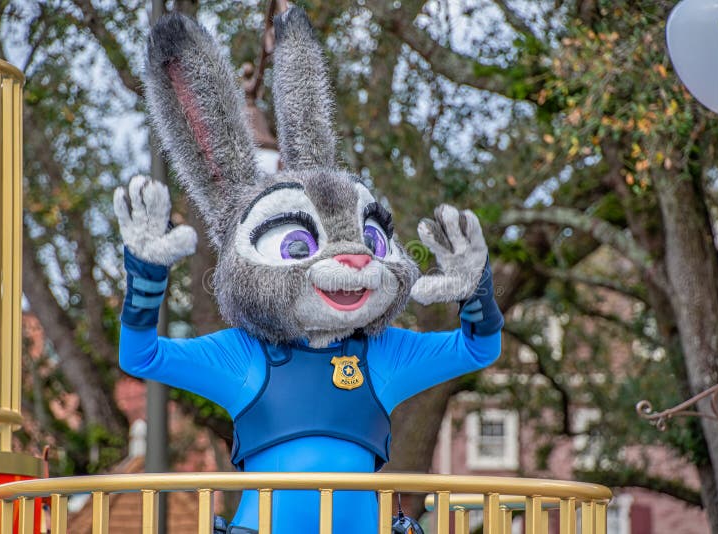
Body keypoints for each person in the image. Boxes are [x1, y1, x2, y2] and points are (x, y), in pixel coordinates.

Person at [114, 8, 503, 534]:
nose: (354, 260)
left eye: (369, 239)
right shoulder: (242, 354)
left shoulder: (382, 354)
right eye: (297, 243)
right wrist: (145, 275)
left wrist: (475, 289)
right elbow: (141, 355)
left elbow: (479, 348)